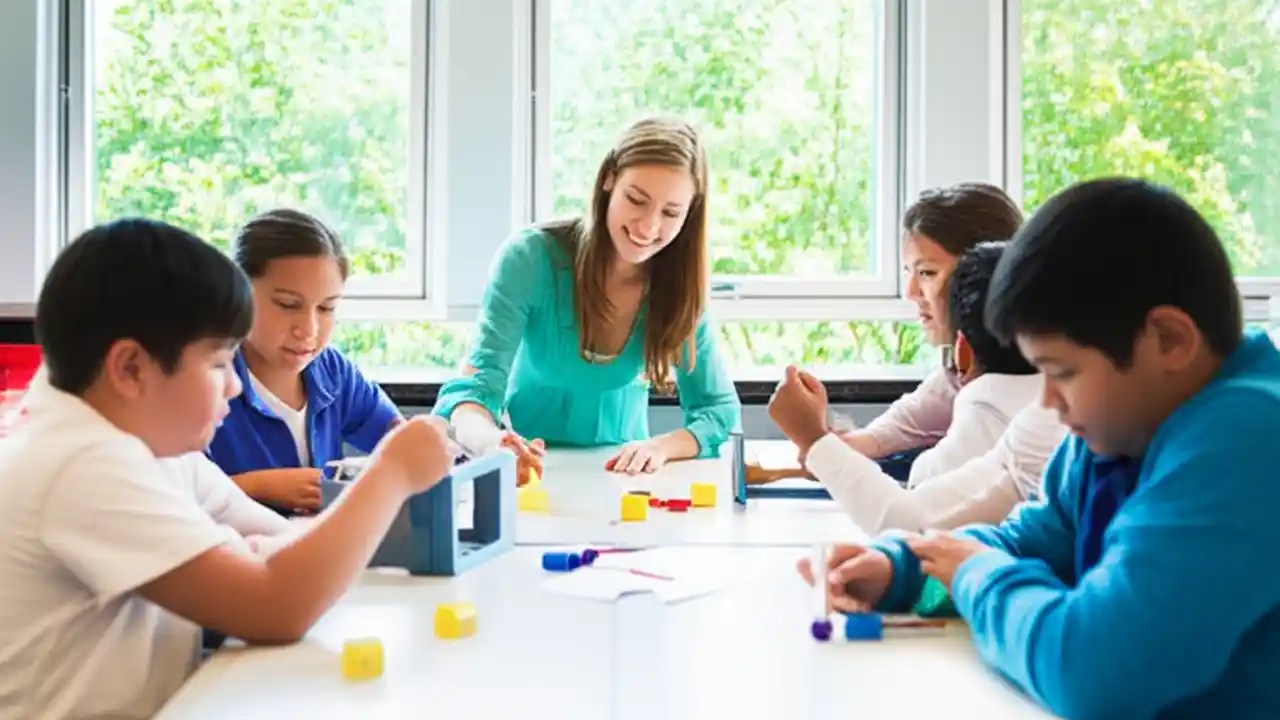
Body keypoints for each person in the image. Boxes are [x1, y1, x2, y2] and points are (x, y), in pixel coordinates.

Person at [799, 179, 1280, 718]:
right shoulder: (1126, 422)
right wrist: (901, 568)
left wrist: (975, 574)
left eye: (1063, 372)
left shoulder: (1249, 437)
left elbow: (1094, 671)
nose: (1049, 401)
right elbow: (1030, 539)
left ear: (1169, 340)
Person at [0, 219, 454, 718]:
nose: (235, 387)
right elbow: (276, 606)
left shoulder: (157, 451)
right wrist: (389, 474)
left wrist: (275, 553)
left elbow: (278, 540)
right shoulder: (80, 464)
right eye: (218, 365)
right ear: (130, 369)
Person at [434, 117, 740, 475]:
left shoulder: (680, 286)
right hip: (529, 476)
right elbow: (472, 391)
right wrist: (493, 444)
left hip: (628, 482)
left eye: (671, 213)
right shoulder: (530, 259)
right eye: (636, 200)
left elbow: (718, 411)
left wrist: (662, 447)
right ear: (609, 178)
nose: (648, 227)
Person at [769, 242, 1067, 533]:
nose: (914, 293)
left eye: (927, 272)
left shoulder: (1011, 420)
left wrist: (814, 440)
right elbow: (904, 423)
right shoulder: (1035, 418)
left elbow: (910, 522)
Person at [206, 209, 403, 513]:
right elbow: (164, 499)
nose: (308, 330)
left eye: (326, 308)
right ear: (239, 291)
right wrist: (258, 487)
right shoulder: (201, 379)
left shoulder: (332, 373)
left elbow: (398, 438)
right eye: (288, 305)